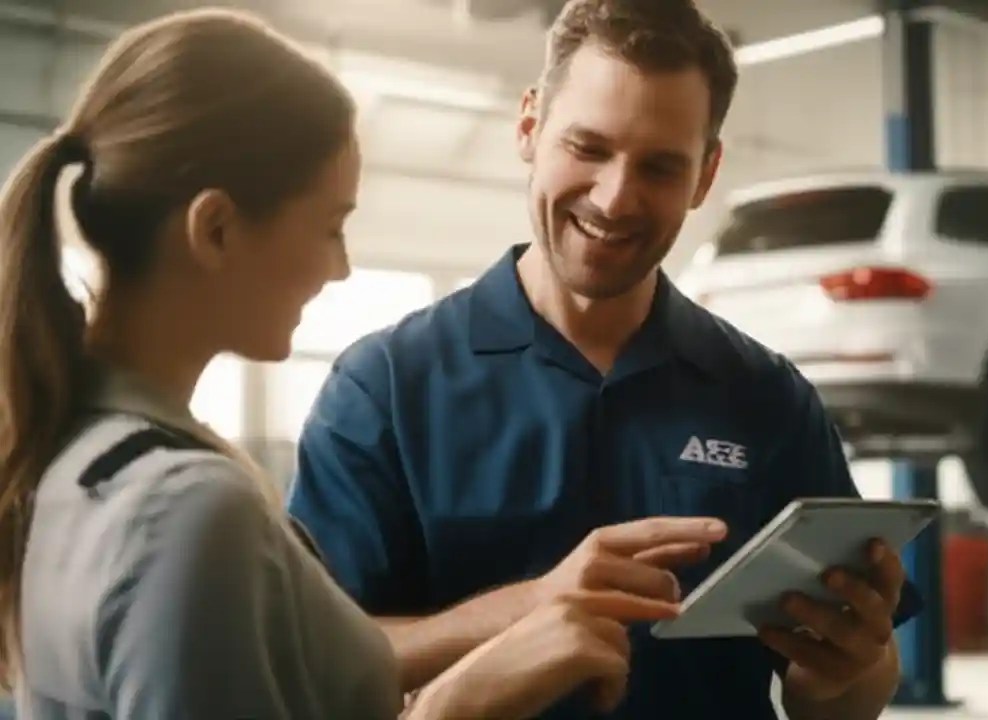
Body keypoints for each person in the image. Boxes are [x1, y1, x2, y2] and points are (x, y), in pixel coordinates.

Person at [0, 8, 707, 719]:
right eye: (331, 226)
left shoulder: (68, 463)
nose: (340, 268)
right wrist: (455, 706)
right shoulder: (190, 508)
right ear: (215, 229)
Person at [287, 1, 923, 719]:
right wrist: (530, 608)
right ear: (529, 127)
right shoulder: (386, 389)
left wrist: (844, 673)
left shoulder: (767, 397)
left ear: (706, 174)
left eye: (659, 166)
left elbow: (845, 699)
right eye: (588, 148)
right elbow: (310, 663)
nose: (615, 198)